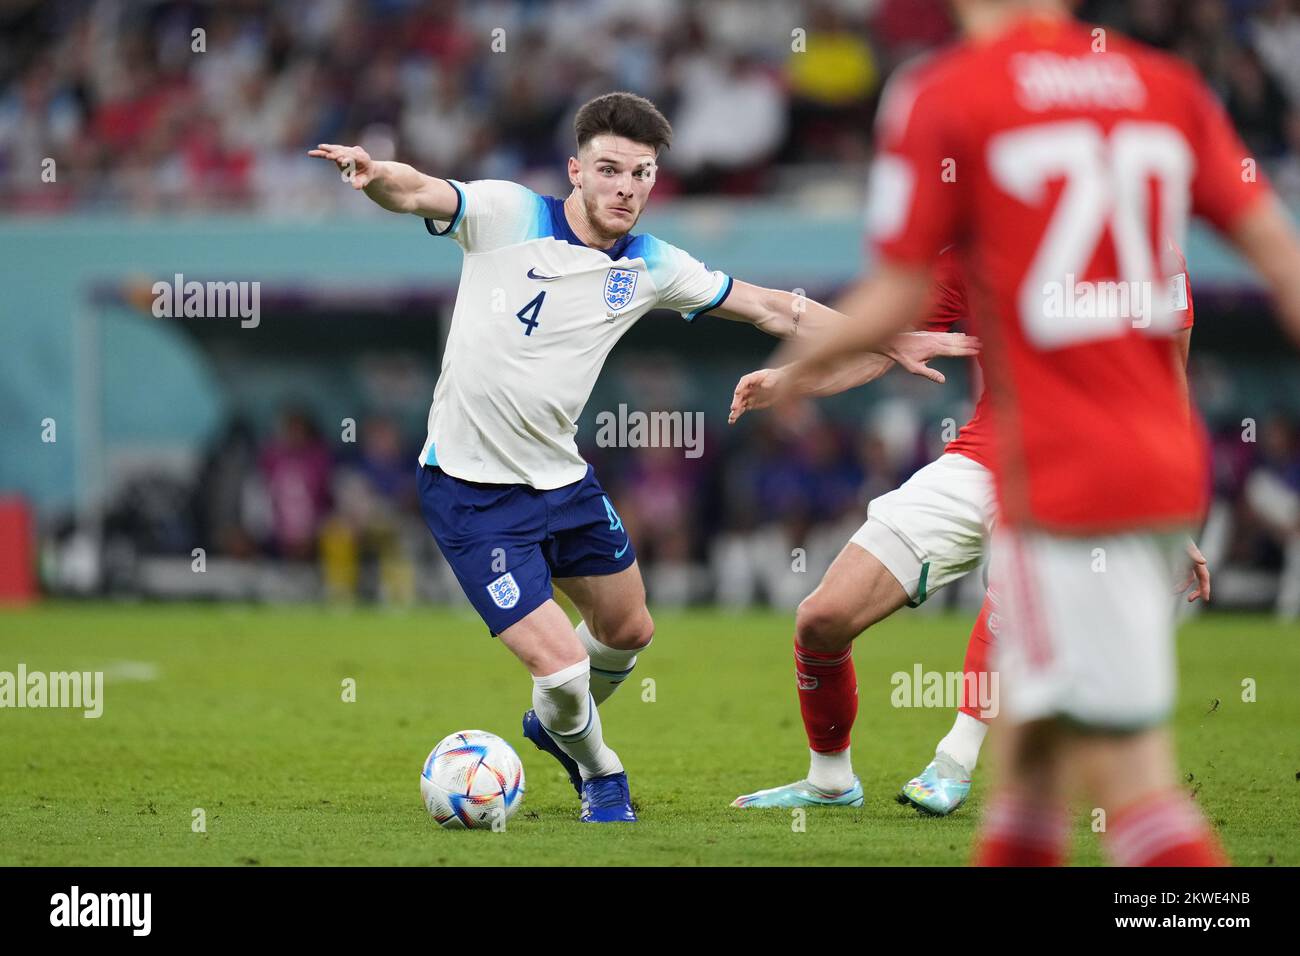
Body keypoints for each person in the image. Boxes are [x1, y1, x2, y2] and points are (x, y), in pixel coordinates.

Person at [308, 91, 977, 823]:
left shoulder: (652, 265)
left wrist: (890, 338)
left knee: (630, 630)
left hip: (561, 482)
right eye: (610, 169)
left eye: (642, 174)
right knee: (563, 668)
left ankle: (559, 723)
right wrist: (373, 175)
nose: (626, 187)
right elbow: (418, 190)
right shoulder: (505, 214)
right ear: (576, 170)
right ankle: (601, 770)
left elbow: (774, 308)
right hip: (471, 492)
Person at [765, 0, 1300, 865]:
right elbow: (1276, 257)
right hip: (1127, 468)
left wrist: (794, 358)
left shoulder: (945, 92)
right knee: (1033, 770)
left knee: (1131, 784)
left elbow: (891, 294)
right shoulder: (1168, 87)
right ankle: (879, 767)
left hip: (1056, 468)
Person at [729, 242, 1209, 818]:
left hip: (1080, 466)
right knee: (821, 619)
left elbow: (1167, 380)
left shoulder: (1149, 241)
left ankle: (953, 761)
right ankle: (830, 779)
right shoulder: (981, 232)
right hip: (979, 457)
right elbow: (888, 347)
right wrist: (791, 380)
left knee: (1018, 578)